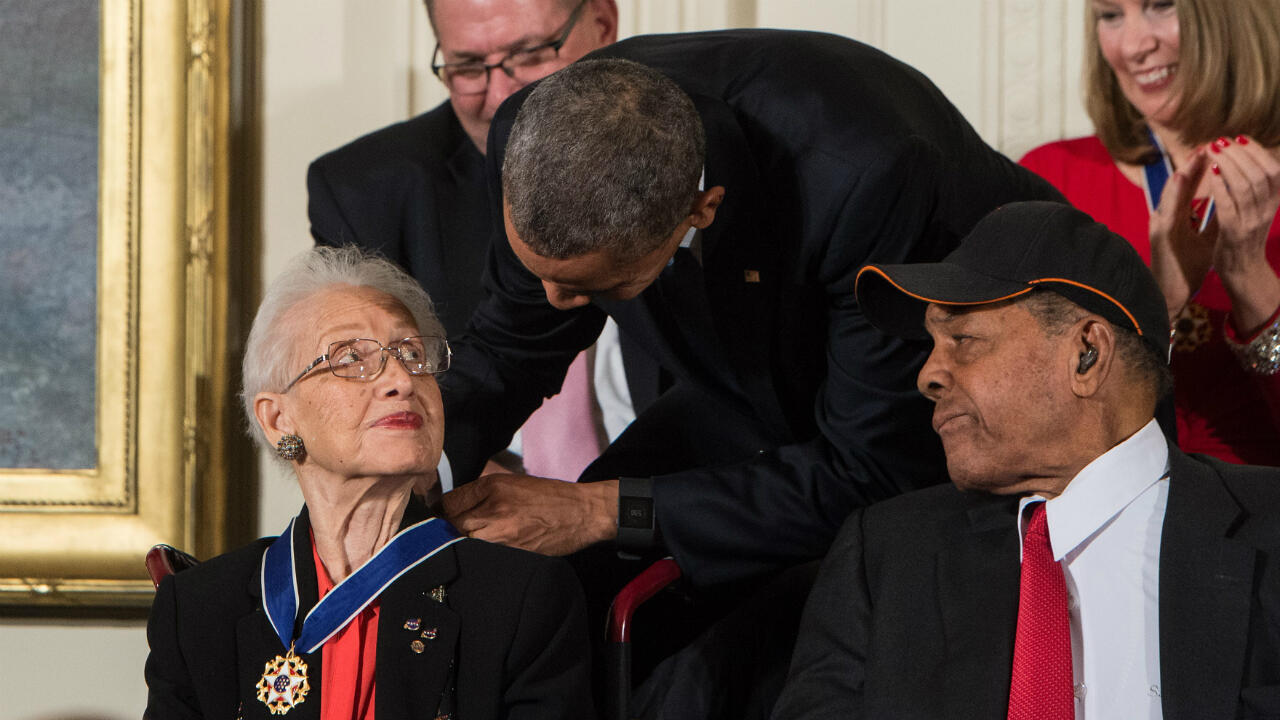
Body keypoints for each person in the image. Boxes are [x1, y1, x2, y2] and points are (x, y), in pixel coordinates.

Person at [435, 30, 1063, 714]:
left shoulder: (864, 171)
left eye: (595, 289)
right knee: (547, 592)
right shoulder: (532, 132)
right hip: (739, 386)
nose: (553, 303)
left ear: (699, 212)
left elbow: (866, 470)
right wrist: (411, 470)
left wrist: (600, 508)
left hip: (956, 421)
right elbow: (508, 345)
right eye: (541, 274)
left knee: (719, 681)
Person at [772, 201, 1280, 720]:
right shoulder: (883, 558)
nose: (928, 376)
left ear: (1087, 353)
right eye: (932, 345)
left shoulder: (1270, 526)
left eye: (963, 339)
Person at [144, 246, 593, 719]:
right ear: (278, 420)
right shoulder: (198, 610)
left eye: (413, 354)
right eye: (350, 358)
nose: (400, 378)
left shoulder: (520, 599)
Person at [308, 0, 646, 484]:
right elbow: (364, 412)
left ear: (604, 25)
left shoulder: (700, 148)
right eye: (468, 68)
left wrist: (606, 512)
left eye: (530, 55)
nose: (501, 98)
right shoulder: (366, 191)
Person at [1020, 0, 1280, 465]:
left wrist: (1248, 276)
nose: (1135, 45)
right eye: (1110, 15)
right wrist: (1160, 304)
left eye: (1161, 6)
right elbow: (1024, 415)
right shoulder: (1052, 179)